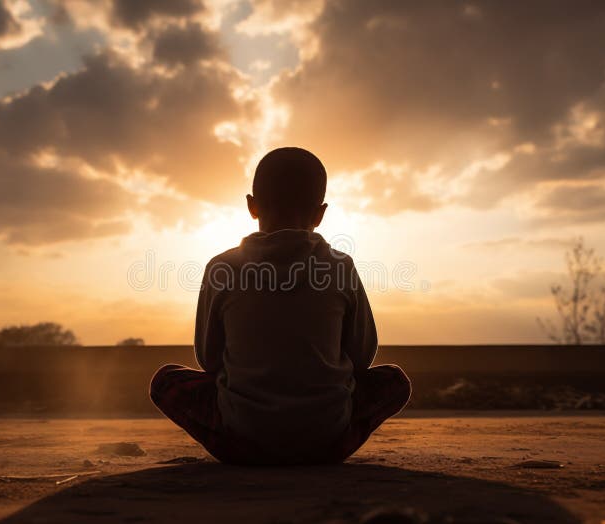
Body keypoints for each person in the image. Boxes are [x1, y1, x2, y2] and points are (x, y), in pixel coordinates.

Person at [150, 147, 411, 465]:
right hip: (325, 440)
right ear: (320, 213)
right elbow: (362, 356)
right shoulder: (341, 266)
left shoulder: (222, 267)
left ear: (252, 206)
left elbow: (209, 360)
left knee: (165, 381)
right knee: (394, 381)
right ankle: (320, 444)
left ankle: (250, 447)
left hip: (243, 438)